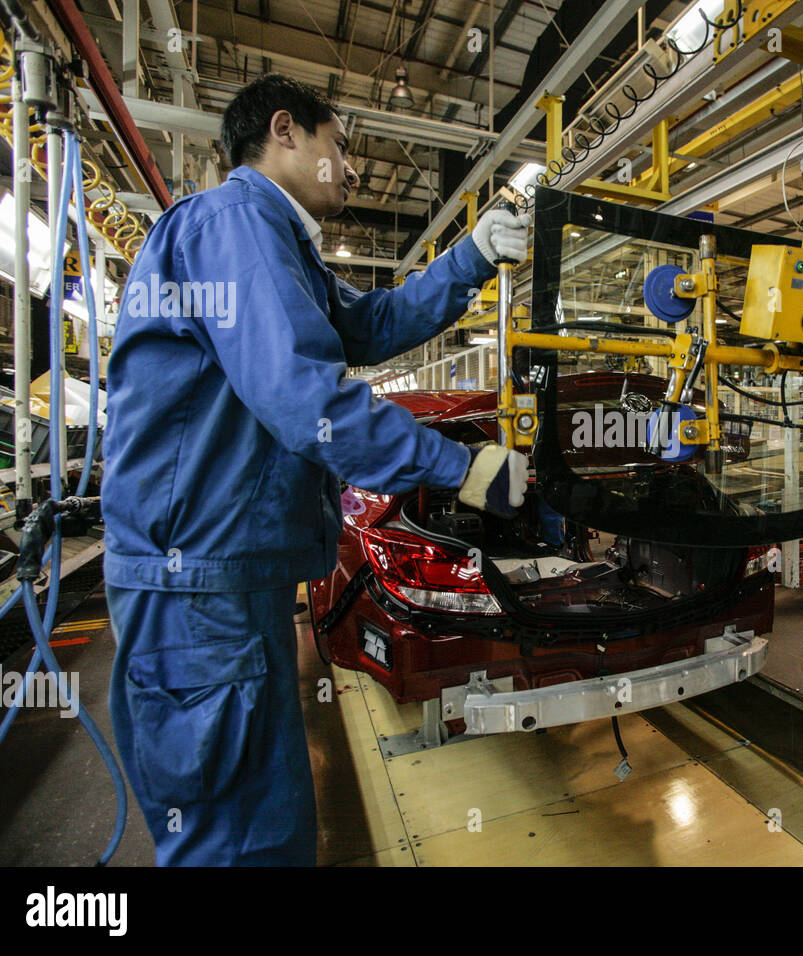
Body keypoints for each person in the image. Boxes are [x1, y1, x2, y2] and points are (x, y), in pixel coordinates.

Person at [101, 74, 530, 864]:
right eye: (341, 145)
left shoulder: (276, 244)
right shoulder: (235, 227)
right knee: (240, 842)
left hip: (223, 580)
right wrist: (461, 467)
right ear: (285, 130)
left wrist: (468, 258)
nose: (354, 168)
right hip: (199, 592)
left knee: (262, 825)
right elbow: (306, 397)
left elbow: (365, 324)